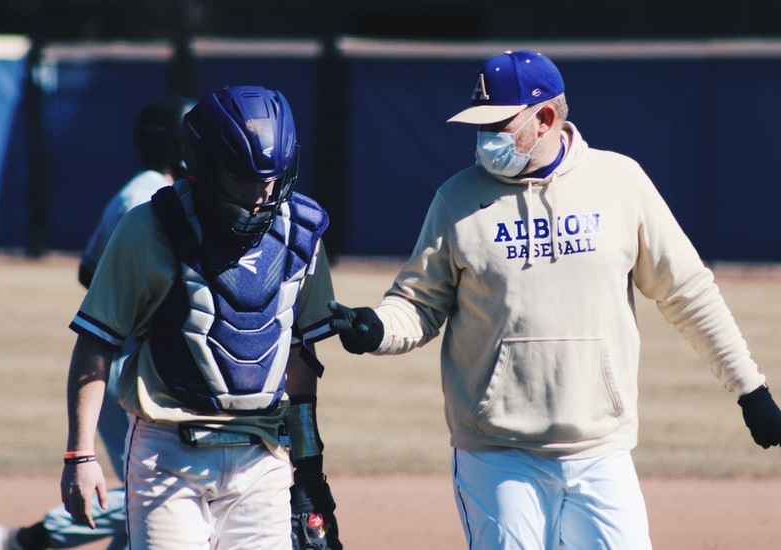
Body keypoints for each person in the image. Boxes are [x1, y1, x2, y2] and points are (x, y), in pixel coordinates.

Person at [327, 50, 781, 549]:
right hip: (498, 454)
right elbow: (418, 304)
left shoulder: (620, 182)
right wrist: (376, 327)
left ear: (545, 118)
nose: (485, 139)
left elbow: (688, 293)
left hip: (601, 450)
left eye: (498, 124)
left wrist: (750, 390)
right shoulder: (456, 199)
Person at [59, 85, 341, 549]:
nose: (260, 195)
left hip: (263, 457)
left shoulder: (303, 232)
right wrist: (80, 454)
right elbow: (96, 341)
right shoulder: (148, 226)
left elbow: (299, 357)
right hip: (167, 454)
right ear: (205, 165)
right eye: (243, 178)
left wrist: (308, 468)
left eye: (271, 178)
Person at [0, 97, 195, 550]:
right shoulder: (150, 197)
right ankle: (29, 539)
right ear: (175, 145)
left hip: (126, 361)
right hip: (128, 368)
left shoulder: (135, 188)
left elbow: (89, 270)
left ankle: (25, 540)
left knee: (151, 493)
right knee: (154, 490)